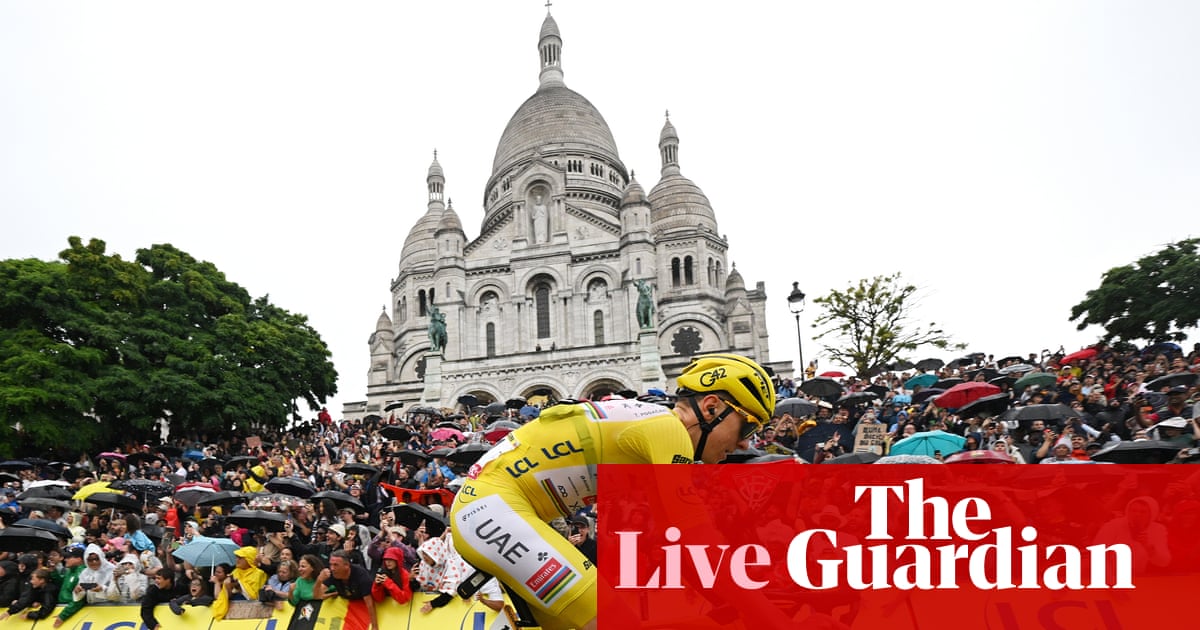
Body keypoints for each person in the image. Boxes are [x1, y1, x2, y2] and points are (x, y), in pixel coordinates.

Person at [451, 353, 776, 630]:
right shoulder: (669, 430)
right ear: (710, 407)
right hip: (493, 511)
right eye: (748, 426)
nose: (746, 443)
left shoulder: (651, 426)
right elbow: (698, 543)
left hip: (493, 510)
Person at [319, 550, 378, 630]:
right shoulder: (332, 573)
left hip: (362, 602)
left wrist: (374, 627)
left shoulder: (361, 575)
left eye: (336, 565)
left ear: (346, 565)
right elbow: (317, 595)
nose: (332, 568)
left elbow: (369, 603)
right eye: (331, 565)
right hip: (346, 605)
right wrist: (319, 580)